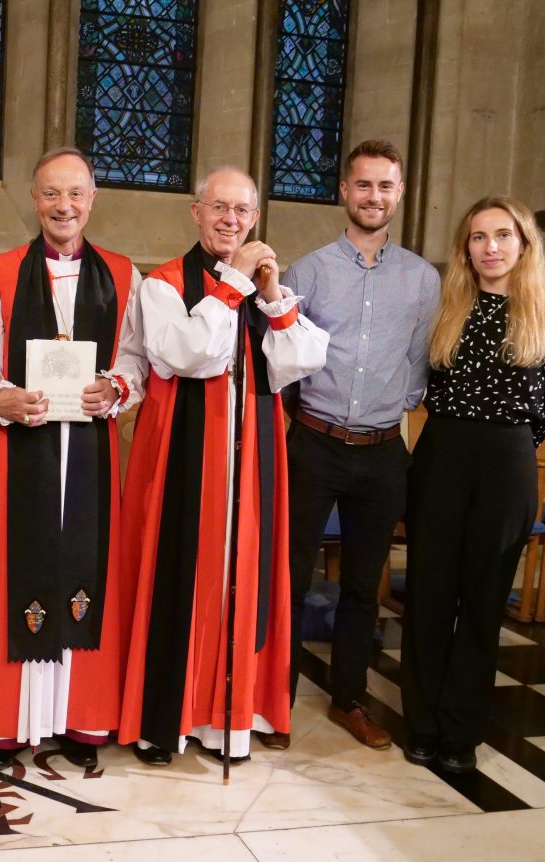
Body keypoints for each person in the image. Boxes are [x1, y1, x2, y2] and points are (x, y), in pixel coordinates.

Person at [119, 166, 328, 766]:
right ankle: (168, 721)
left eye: (242, 211)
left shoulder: (261, 288)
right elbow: (188, 354)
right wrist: (232, 286)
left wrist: (270, 297)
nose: (230, 220)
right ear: (196, 211)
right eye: (219, 208)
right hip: (186, 458)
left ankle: (231, 723)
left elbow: (302, 360)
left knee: (243, 584)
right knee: (182, 581)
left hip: (253, 461)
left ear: (255, 219)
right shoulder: (161, 283)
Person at [0, 147, 146, 771]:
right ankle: (3, 719)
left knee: (86, 567)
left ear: (93, 199)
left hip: (88, 451)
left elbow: (138, 358)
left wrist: (113, 388)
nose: (65, 206)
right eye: (52, 194)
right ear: (34, 200)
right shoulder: (0, 271)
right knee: (14, 570)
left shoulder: (122, 273)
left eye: (76, 194)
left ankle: (80, 716)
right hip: (21, 454)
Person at [400, 196, 545, 773]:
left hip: (507, 460)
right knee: (428, 596)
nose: (490, 247)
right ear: (465, 247)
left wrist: (506, 443)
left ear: (524, 244)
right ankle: (421, 723)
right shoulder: (445, 306)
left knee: (481, 603)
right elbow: (424, 382)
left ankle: (461, 731)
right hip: (443, 452)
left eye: (503, 236)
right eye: (478, 237)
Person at [278, 139, 440, 752]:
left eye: (386, 186)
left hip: (380, 451)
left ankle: (348, 698)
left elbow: (419, 363)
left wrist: (385, 413)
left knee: (362, 585)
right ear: (345, 191)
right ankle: (277, 698)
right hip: (313, 444)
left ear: (399, 194)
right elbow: (286, 362)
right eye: (364, 185)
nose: (375, 196)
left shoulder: (422, 279)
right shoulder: (310, 271)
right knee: (289, 580)